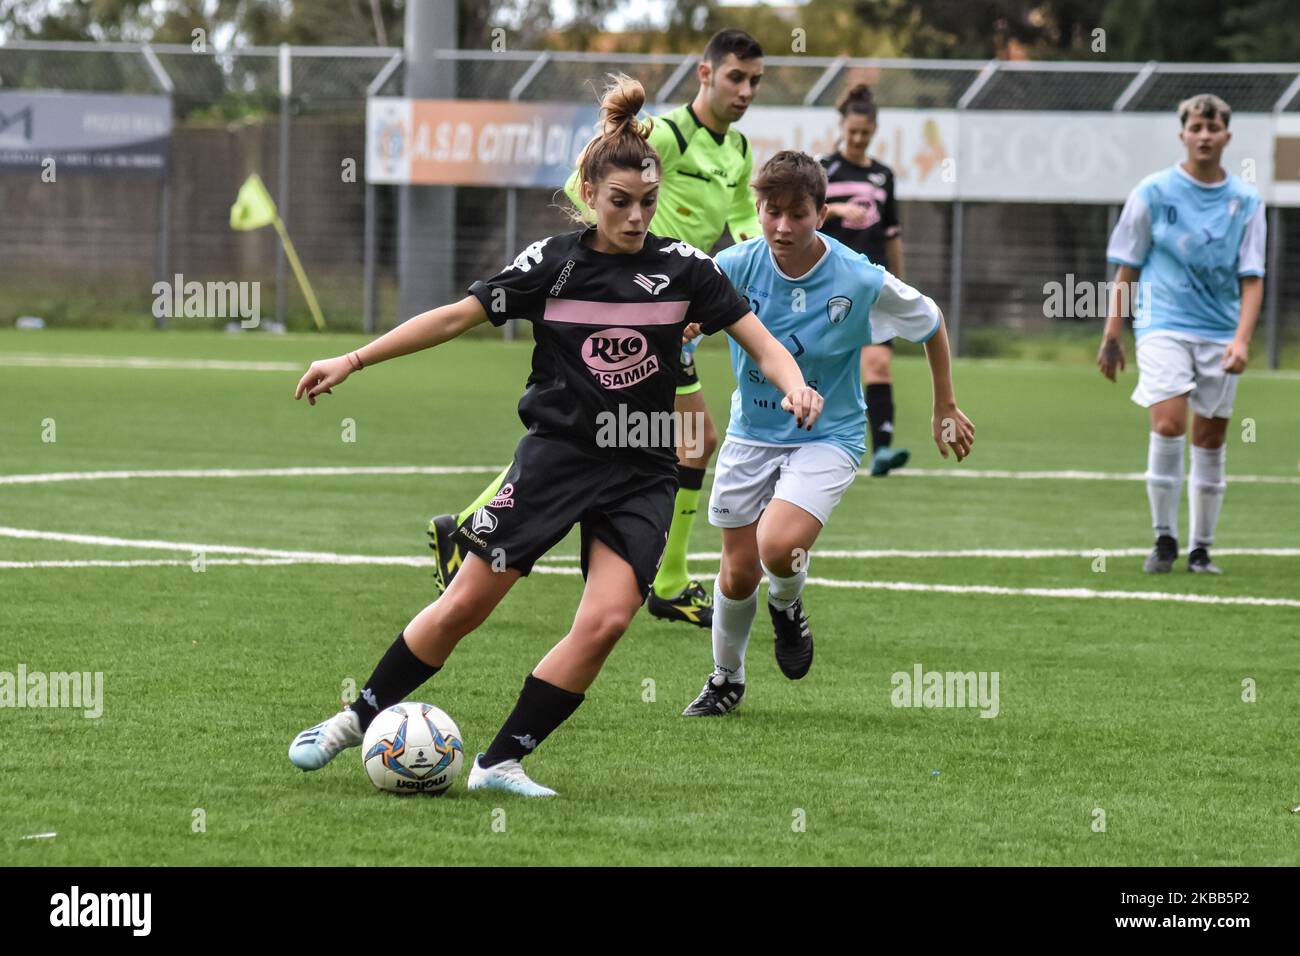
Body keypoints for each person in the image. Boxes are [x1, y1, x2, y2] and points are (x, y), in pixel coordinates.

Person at [286, 76, 822, 796]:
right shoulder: (553, 264)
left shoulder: (685, 271)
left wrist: (793, 384)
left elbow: (760, 341)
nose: (636, 218)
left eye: (647, 203)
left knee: (604, 624)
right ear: (589, 195)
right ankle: (354, 719)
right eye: (620, 203)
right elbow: (452, 317)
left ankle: (500, 762)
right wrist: (351, 360)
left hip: (643, 468)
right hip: (557, 459)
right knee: (467, 604)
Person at [427, 28, 767, 631]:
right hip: (635, 306)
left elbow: (742, 218)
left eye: (754, 81)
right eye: (736, 77)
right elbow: (583, 187)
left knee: (688, 436)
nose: (745, 91)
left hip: (669, 308)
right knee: (664, 434)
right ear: (706, 74)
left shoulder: (739, 150)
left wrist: (732, 268)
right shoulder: (660, 134)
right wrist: (617, 272)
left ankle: (476, 530)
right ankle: (663, 577)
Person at [681, 150, 974, 716]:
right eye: (771, 211)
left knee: (777, 545)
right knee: (738, 574)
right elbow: (683, 317)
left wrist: (946, 403)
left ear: (821, 213)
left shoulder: (857, 277)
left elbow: (931, 320)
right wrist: (686, 331)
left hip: (829, 435)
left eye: (798, 213)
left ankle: (787, 605)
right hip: (752, 432)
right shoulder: (736, 265)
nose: (783, 226)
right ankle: (726, 680)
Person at [1098, 93, 1265, 575]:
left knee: (1210, 438)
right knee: (1169, 422)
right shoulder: (1152, 192)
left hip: (1220, 331)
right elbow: (1127, 267)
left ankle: (1201, 549)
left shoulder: (1247, 202)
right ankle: (1164, 540)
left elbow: (1252, 278)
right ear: (1183, 134)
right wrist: (1114, 333)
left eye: (1214, 128)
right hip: (1163, 323)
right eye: (1196, 127)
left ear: (1227, 136)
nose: (1205, 136)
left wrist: (1241, 340)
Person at [820, 83, 909, 477]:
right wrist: (838, 209)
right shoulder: (823, 171)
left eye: (865, 133)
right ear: (842, 126)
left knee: (878, 366)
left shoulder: (883, 176)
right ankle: (813, 442)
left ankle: (883, 452)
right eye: (852, 132)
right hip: (827, 285)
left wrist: (900, 287)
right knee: (821, 368)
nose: (857, 139)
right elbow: (809, 217)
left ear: (874, 130)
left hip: (871, 285)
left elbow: (893, 236)